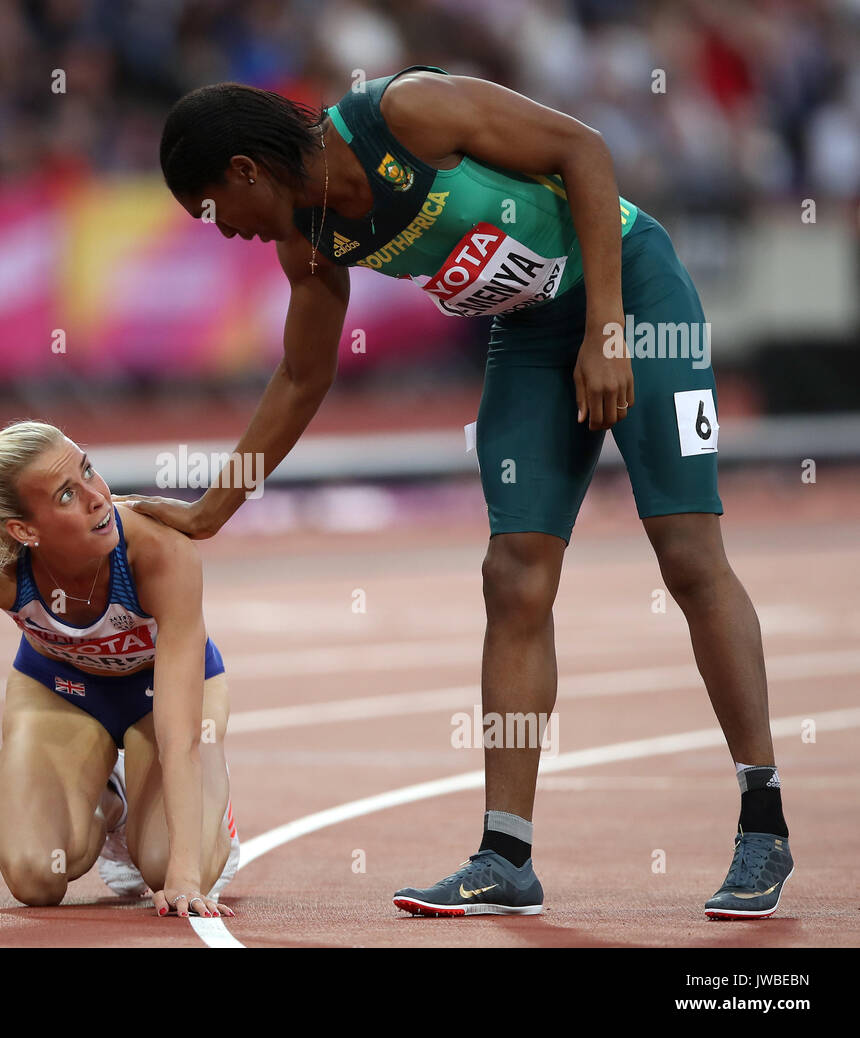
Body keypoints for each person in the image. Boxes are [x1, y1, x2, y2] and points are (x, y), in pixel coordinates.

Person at [126, 65, 791, 919]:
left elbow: (583, 152)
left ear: (245, 171)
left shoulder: (407, 112)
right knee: (512, 573)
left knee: (690, 556)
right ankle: (505, 856)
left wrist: (609, 330)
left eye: (214, 213)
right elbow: (300, 376)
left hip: (631, 290)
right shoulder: (309, 241)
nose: (227, 236)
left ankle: (763, 822)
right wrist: (213, 509)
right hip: (527, 331)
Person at [0, 420, 238, 921]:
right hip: (61, 692)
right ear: (24, 531)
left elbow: (179, 733)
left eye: (89, 470)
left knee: (166, 867)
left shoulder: (161, 550)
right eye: (67, 495)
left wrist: (186, 874)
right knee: (35, 875)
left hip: (164, 698)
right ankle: (111, 802)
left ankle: (211, 806)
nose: (98, 498)